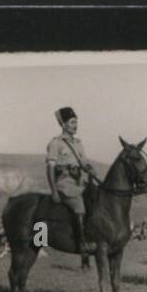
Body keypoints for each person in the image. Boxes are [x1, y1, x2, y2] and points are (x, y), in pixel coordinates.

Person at [45, 106, 97, 255]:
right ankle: (82, 244)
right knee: (79, 204)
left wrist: (90, 168)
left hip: (80, 182)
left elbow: (84, 162)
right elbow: (50, 168)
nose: (76, 125)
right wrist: (54, 190)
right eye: (72, 122)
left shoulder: (78, 143)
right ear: (63, 124)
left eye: (76, 122)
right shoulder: (56, 143)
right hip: (65, 184)